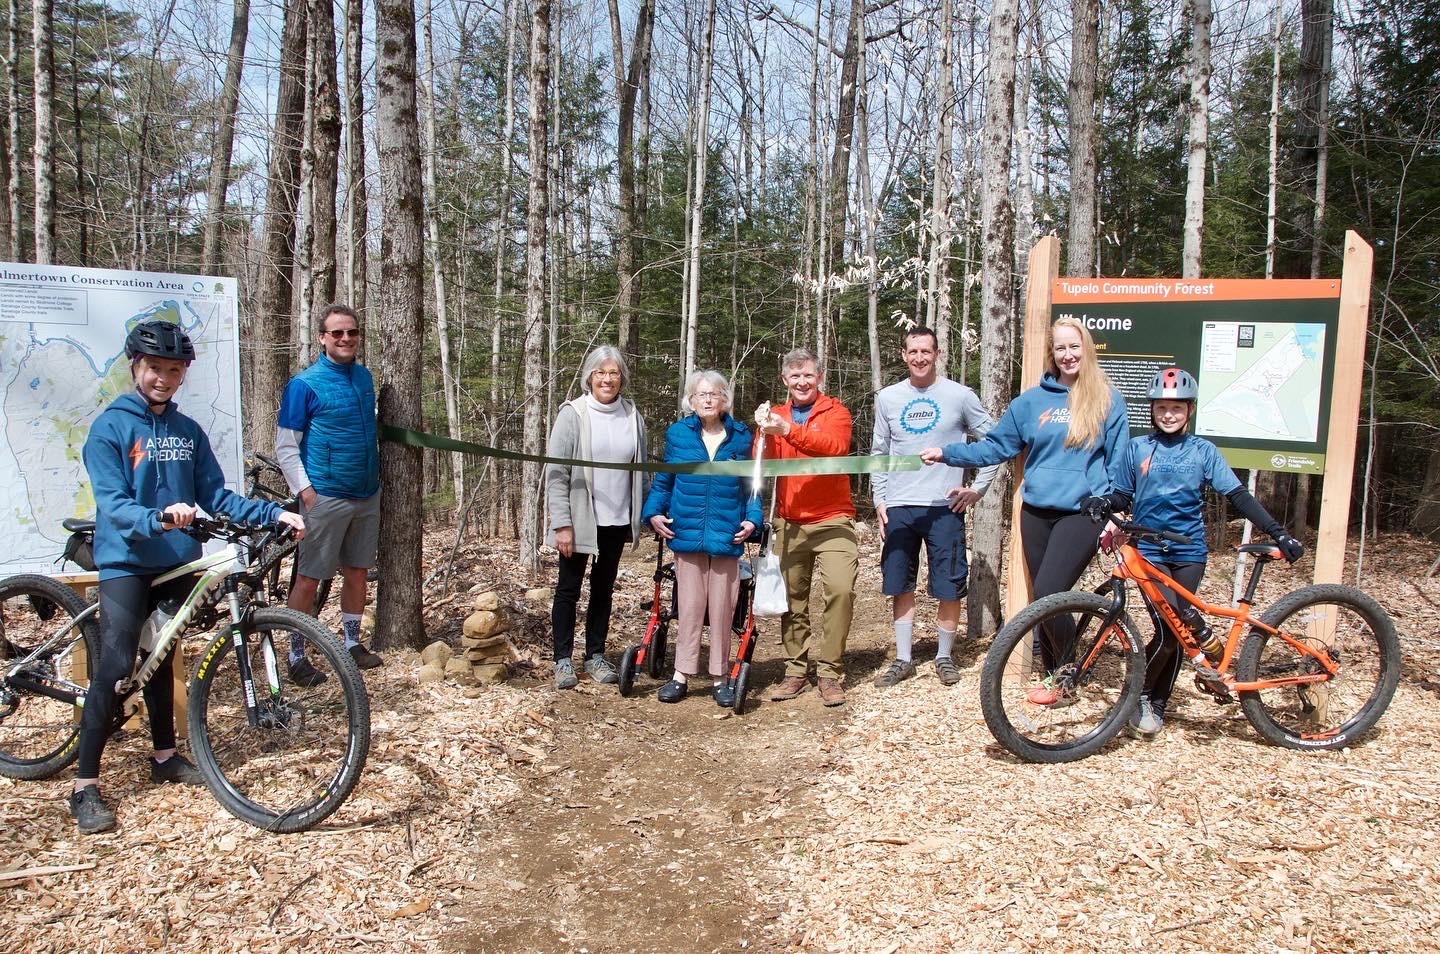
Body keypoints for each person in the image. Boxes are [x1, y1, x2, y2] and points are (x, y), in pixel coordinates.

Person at [73, 319, 306, 834]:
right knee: (115, 665)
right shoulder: (110, 427)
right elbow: (112, 504)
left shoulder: (187, 431)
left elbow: (216, 495)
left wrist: (272, 514)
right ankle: (84, 785)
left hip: (177, 560)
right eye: (155, 367)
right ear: (136, 367)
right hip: (128, 559)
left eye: (173, 370)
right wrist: (154, 518)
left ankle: (164, 758)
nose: (163, 377)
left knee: (165, 655)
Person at [1082, 367, 1304, 739]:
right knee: (1170, 627)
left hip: (1189, 551)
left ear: (1190, 410)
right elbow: (1123, 495)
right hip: (1149, 549)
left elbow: (1238, 496)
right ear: (1153, 409)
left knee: (1176, 629)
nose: (1169, 414)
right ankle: (1143, 698)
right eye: (1162, 407)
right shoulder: (1138, 449)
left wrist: (1279, 532)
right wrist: (1104, 501)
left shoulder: (1203, 451)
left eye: (1177, 408)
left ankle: (1155, 700)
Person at [919, 316, 1129, 704]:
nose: (1067, 355)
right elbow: (995, 448)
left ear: (1087, 348)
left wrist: (1117, 512)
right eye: (1060, 348)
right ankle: (1054, 679)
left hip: (1084, 513)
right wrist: (947, 453)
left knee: (1050, 593)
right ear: (1052, 354)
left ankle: (1067, 673)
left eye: (1074, 346)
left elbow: (1119, 464)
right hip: (1037, 512)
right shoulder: (1030, 402)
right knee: (1046, 598)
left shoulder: (1107, 399)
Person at [870, 327, 1001, 689]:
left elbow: (994, 444)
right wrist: (880, 499)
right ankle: (903, 658)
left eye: (926, 351)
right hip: (900, 505)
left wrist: (977, 489)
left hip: (945, 505)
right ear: (903, 354)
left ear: (937, 353)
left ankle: (944, 656)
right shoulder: (888, 398)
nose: (919, 358)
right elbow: (879, 453)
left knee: (948, 584)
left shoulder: (960, 396)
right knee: (900, 582)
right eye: (913, 351)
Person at [275, 303, 383, 686]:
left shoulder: (363, 377)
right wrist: (305, 492)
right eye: (337, 333)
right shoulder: (304, 385)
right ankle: (295, 653)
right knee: (308, 577)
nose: (345, 339)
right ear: (322, 338)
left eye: (351, 332)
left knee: (356, 572)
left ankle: (352, 643)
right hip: (325, 495)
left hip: (366, 493)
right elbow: (287, 446)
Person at [641, 371, 761, 705]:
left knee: (723, 609)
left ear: (725, 399)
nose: (707, 399)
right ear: (690, 401)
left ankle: (721, 678)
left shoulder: (741, 436)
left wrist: (753, 520)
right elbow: (665, 481)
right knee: (690, 608)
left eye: (714, 393)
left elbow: (752, 487)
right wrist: (652, 513)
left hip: (727, 533)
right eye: (700, 394)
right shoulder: (678, 434)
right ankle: (681, 675)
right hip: (687, 531)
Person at [753, 349, 857, 707]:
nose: (802, 382)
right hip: (789, 521)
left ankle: (830, 673)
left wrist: (789, 431)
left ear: (819, 378)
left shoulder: (836, 412)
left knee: (840, 592)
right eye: (794, 376)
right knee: (792, 601)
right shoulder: (776, 415)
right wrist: (763, 432)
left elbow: (835, 447)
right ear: (785, 380)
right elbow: (759, 464)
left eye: (808, 375)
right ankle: (796, 670)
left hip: (833, 520)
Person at [543, 346, 648, 689]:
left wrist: (643, 515)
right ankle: (562, 660)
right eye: (600, 372)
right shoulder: (573, 414)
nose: (607, 378)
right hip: (579, 521)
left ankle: (595, 656)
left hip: (616, 520)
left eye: (613, 373)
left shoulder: (633, 416)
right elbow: (556, 473)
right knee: (568, 590)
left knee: (603, 590)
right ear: (589, 376)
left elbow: (642, 471)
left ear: (622, 378)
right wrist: (562, 523)